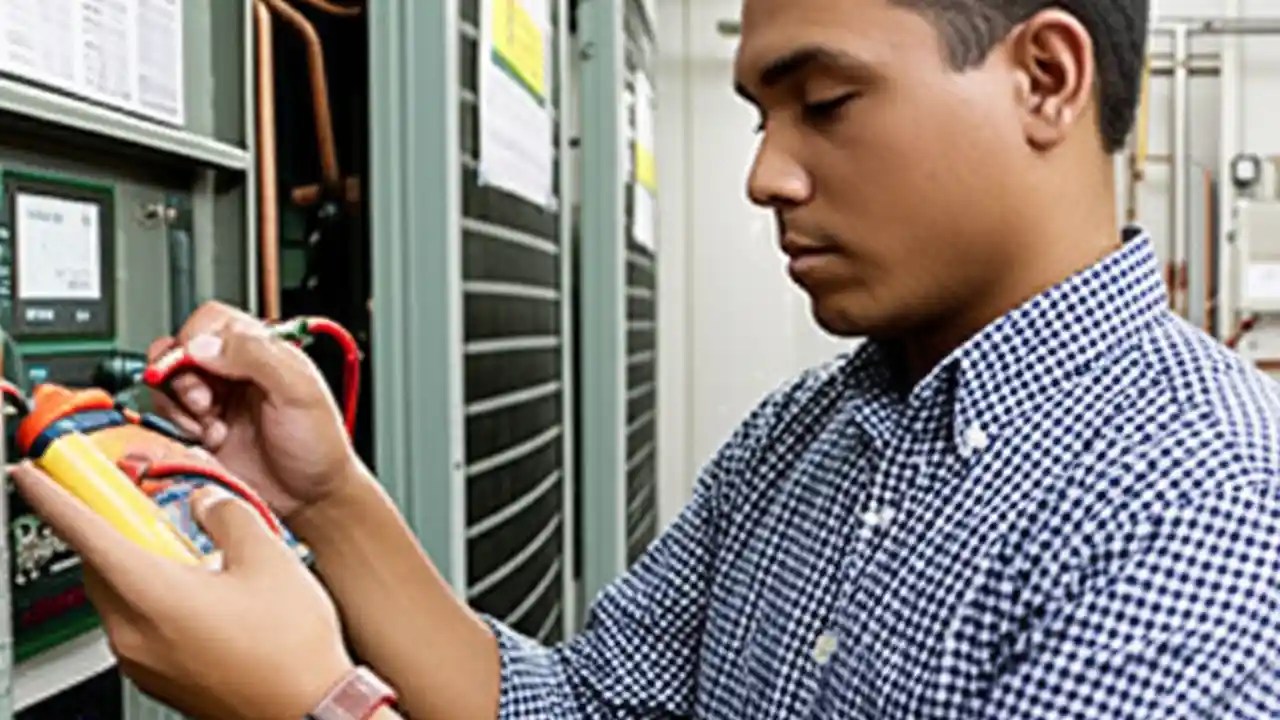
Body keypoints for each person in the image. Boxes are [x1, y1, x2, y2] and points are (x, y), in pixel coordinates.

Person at [13, 0, 1280, 717]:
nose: (764, 175)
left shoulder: (1197, 503)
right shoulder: (802, 436)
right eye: (760, 116)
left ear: (1044, 78)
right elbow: (577, 710)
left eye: (824, 104)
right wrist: (326, 495)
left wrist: (313, 707)